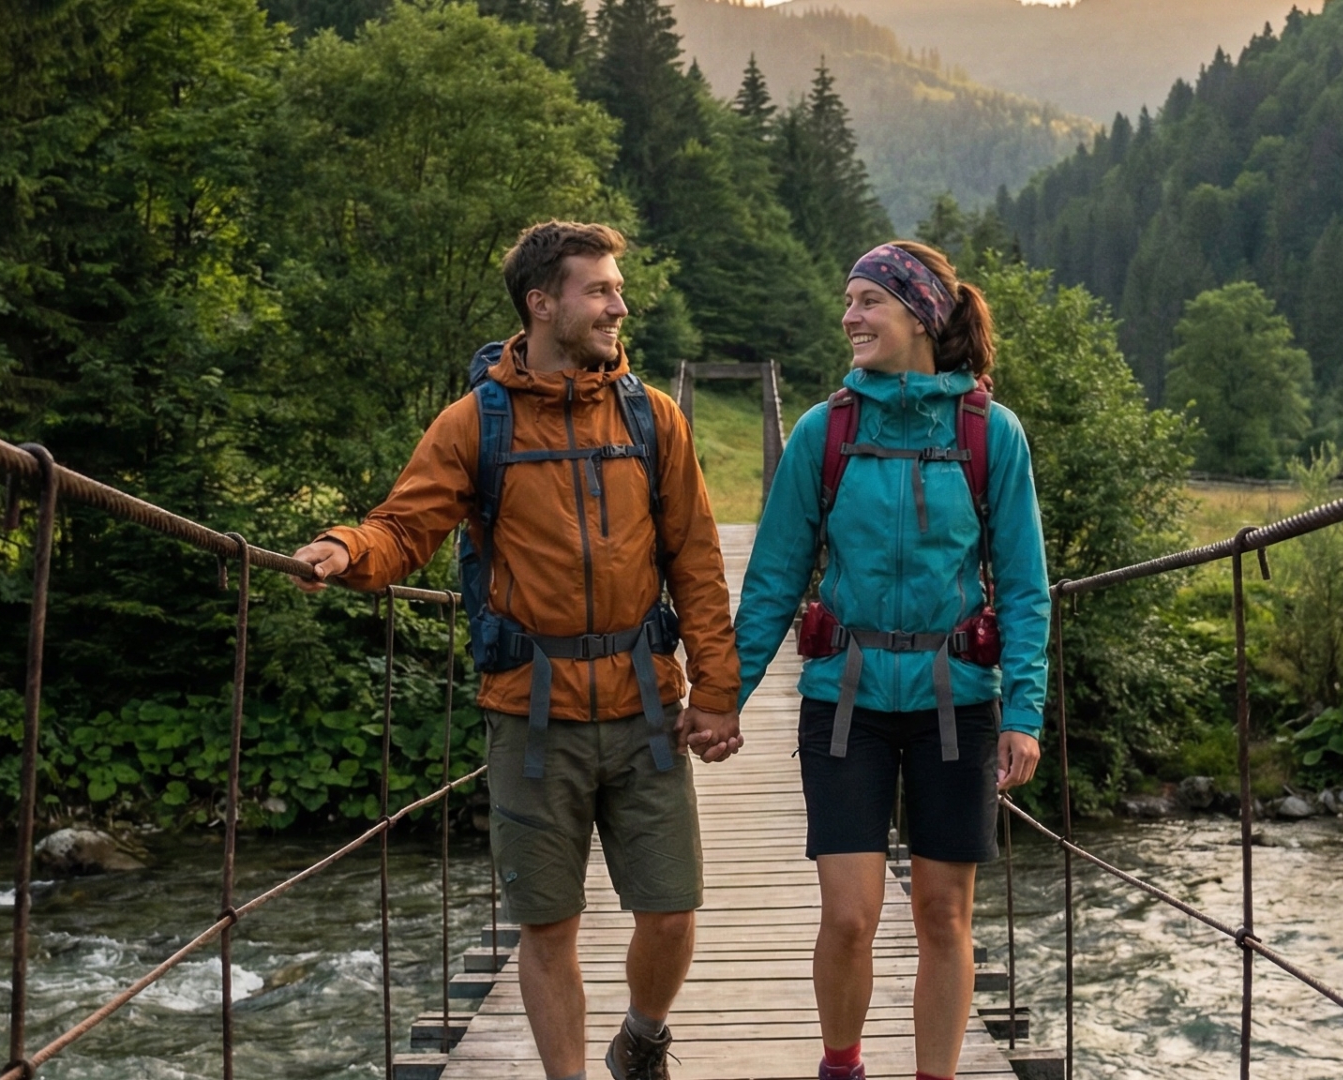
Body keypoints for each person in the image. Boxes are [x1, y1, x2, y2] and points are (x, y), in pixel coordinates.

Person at [291, 221, 743, 1080]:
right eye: (600, 289)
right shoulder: (475, 424)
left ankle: (643, 1036)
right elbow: (404, 524)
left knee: (673, 911)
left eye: (616, 287)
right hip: (530, 715)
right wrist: (347, 550)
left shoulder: (654, 418)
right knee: (547, 924)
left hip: (647, 704)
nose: (619, 304)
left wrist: (716, 690)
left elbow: (696, 560)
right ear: (543, 303)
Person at [732, 241, 1051, 1080]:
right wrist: (723, 695)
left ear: (920, 314)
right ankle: (842, 1065)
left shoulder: (991, 433)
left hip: (959, 703)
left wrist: (1022, 711)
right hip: (847, 699)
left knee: (944, 916)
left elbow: (1024, 585)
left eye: (867, 301)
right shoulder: (823, 431)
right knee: (849, 915)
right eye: (848, 301)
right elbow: (772, 579)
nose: (850, 317)